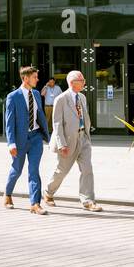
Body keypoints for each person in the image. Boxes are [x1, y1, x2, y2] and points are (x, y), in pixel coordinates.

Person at [45, 70, 103, 212]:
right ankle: (48, 193)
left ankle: (88, 200)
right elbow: (57, 124)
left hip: (83, 139)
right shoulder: (61, 99)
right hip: (68, 142)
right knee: (62, 171)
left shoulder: (82, 97)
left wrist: (87, 136)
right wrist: (62, 144)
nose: (84, 82)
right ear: (72, 83)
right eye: (81, 80)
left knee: (87, 169)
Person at [3, 64, 49, 215]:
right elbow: (9, 122)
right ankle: (8, 194)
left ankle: (35, 204)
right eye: (35, 77)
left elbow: (40, 115)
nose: (37, 79)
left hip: (35, 138)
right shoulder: (13, 97)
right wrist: (11, 143)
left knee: (34, 171)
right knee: (17, 170)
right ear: (25, 78)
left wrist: (47, 137)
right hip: (20, 140)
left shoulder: (36, 94)